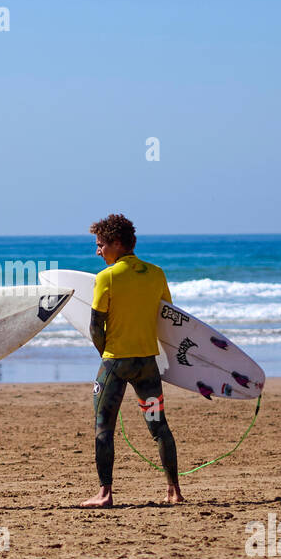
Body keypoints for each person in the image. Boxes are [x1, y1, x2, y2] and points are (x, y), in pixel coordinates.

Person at [82, 214, 183, 507]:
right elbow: (167, 318)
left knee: (104, 428)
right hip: (146, 365)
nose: (98, 251)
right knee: (158, 426)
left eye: (101, 245)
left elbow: (94, 326)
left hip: (115, 363)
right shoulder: (156, 273)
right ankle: (174, 491)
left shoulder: (107, 277)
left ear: (116, 243)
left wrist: (106, 356)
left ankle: (105, 494)